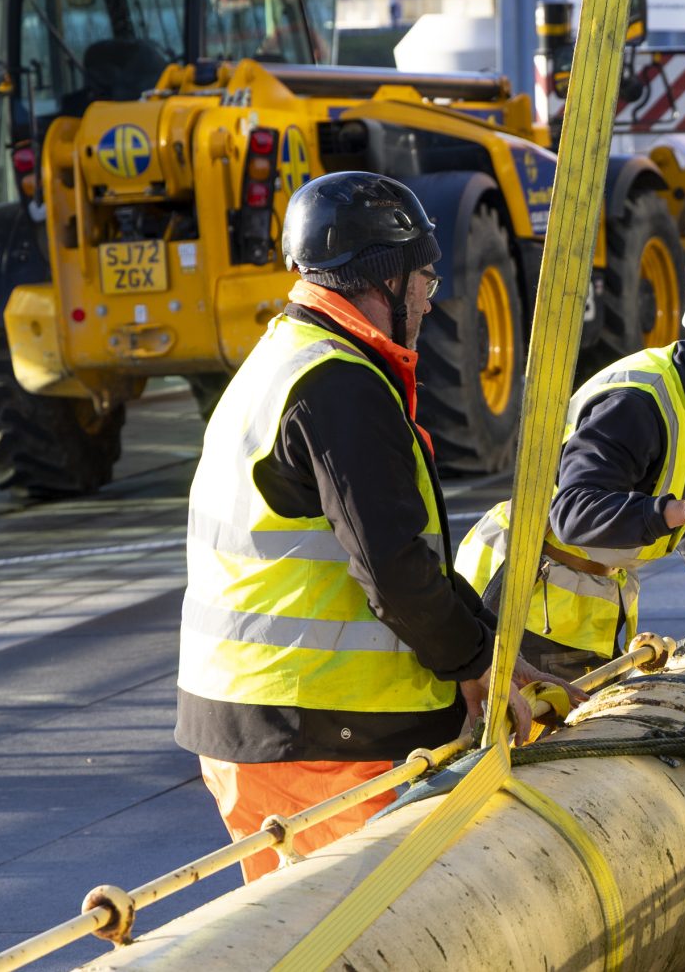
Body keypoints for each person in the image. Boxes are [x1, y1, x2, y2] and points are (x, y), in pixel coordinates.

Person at [176, 171, 576, 882]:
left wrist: (486, 653)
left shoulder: (285, 357)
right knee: (363, 934)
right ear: (382, 279)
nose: (431, 295)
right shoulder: (341, 385)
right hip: (310, 729)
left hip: (261, 717)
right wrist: (477, 665)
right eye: (424, 276)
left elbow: (391, 554)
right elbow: (392, 569)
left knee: (290, 935)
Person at [457, 245, 685, 679]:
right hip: (522, 599)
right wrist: (681, 510)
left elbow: (651, 506)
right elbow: (574, 514)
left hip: (577, 601)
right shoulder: (637, 404)